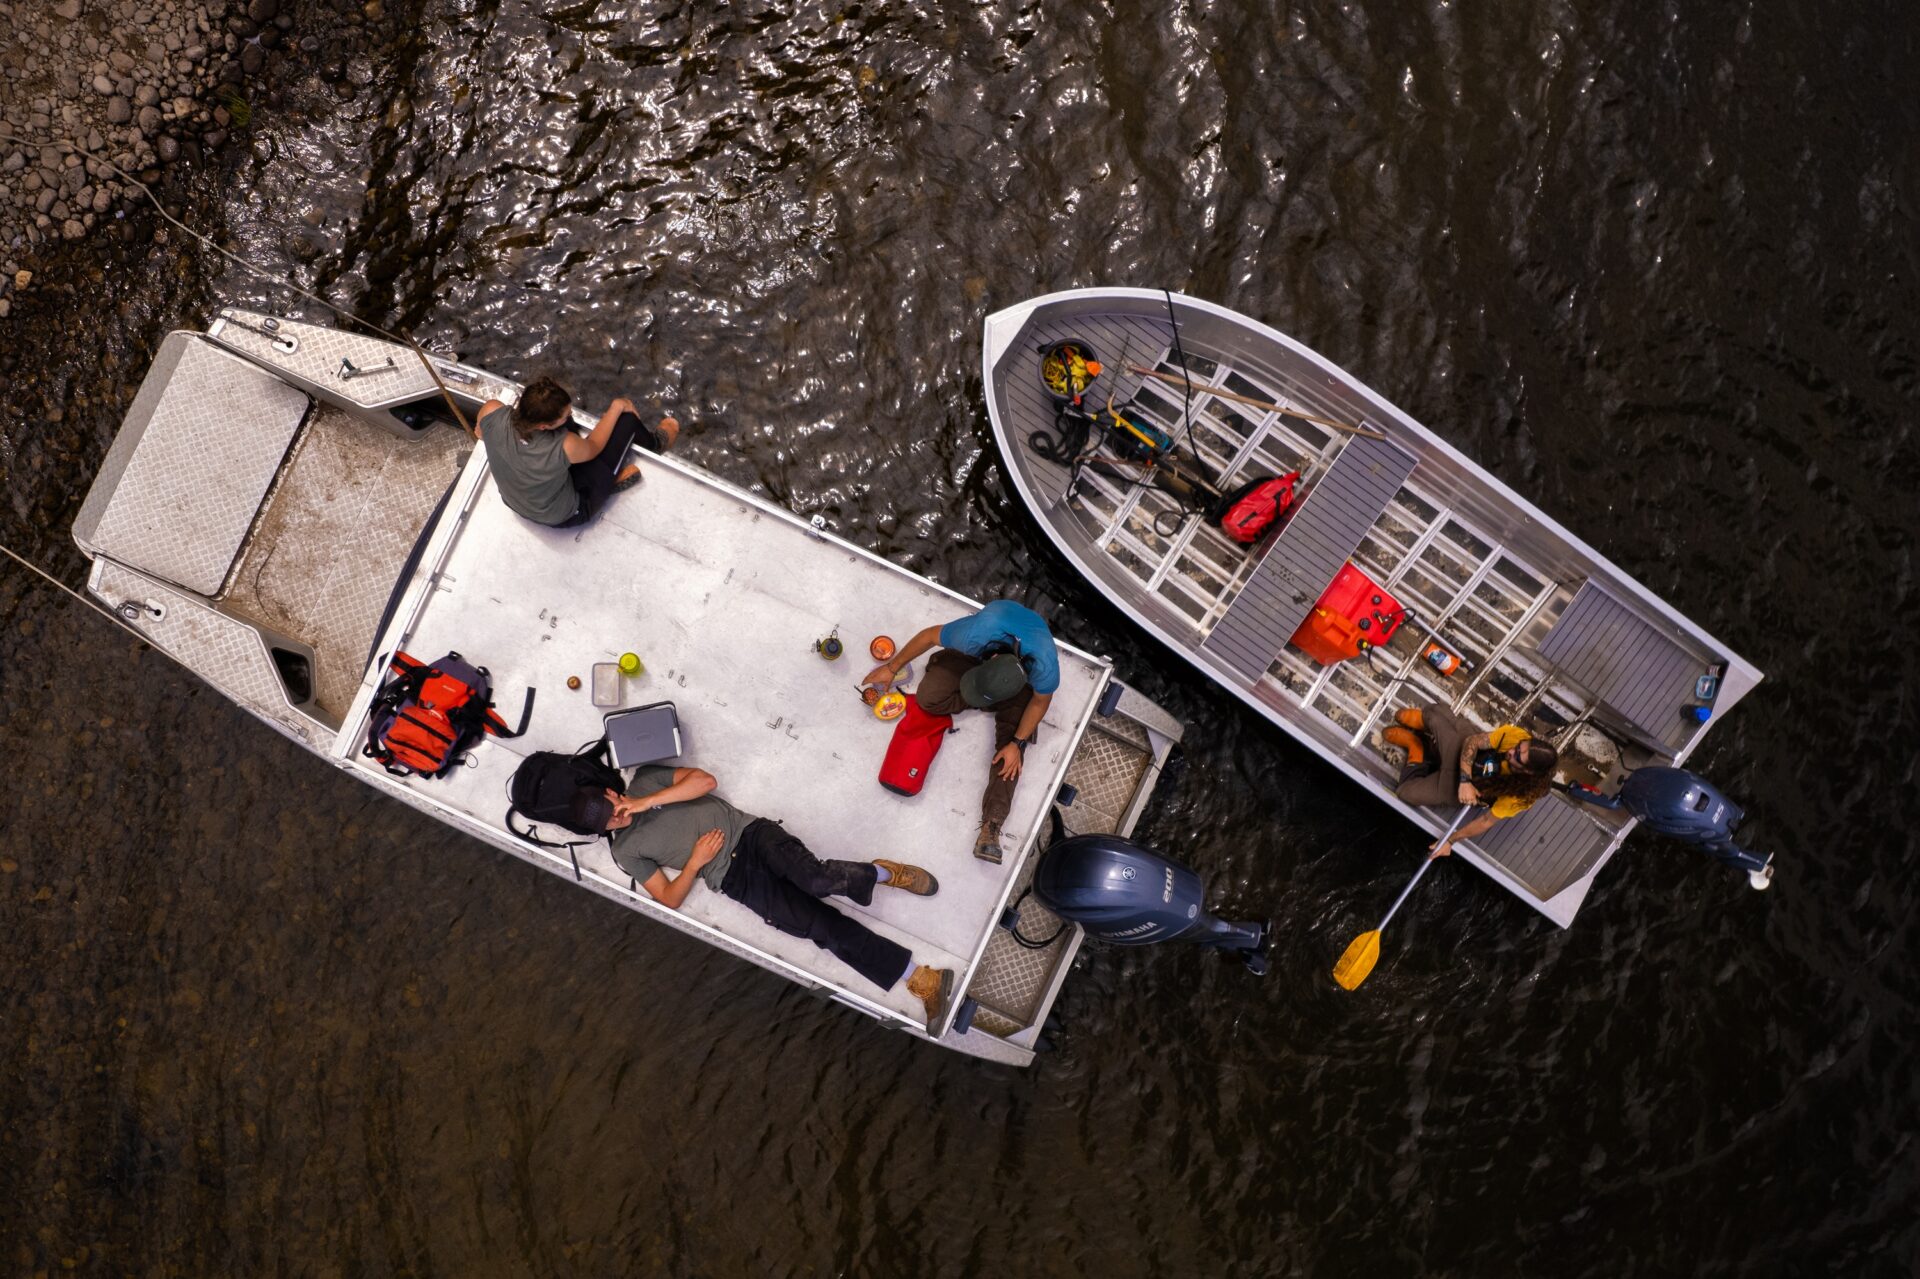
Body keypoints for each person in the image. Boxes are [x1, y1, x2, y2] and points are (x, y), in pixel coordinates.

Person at [569, 763, 956, 1027]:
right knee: (821, 929)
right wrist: (694, 863)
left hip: (752, 836)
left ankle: (883, 872)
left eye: (615, 810)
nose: (620, 820)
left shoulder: (645, 781)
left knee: (818, 880)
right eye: (611, 823)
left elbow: (705, 782)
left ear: (611, 792)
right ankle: (922, 979)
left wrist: (644, 801)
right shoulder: (624, 850)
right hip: (735, 881)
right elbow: (669, 898)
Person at [863, 598, 1060, 864]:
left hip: (1016, 683)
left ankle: (992, 827)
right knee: (929, 698)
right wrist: (890, 667)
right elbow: (928, 636)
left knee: (1011, 756)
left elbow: (1040, 701)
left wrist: (1016, 741)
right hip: (982, 657)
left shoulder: (1045, 670)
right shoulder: (974, 636)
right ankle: (983, 692)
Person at [473, 376, 681, 528]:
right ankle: (654, 445)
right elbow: (595, 447)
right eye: (565, 415)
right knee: (627, 421)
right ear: (544, 426)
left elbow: (479, 431)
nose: (570, 414)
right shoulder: (567, 445)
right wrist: (617, 406)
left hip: (516, 503)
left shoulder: (491, 410)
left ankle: (601, 477)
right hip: (568, 513)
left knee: (569, 435)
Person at [1383, 703, 1558, 859]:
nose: (1512, 751)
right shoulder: (1516, 736)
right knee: (1434, 714)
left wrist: (1450, 841)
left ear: (1527, 771)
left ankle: (1418, 747)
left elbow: (1486, 821)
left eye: (1518, 756)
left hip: (1460, 787)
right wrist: (1464, 780)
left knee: (1405, 793)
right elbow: (1473, 742)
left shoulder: (1521, 797)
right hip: (1465, 757)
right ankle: (1432, 740)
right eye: (1519, 747)